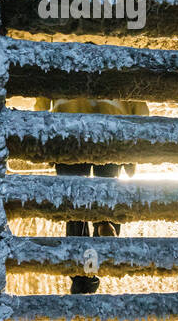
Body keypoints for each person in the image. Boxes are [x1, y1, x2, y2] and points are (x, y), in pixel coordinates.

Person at [34, 95, 149, 293]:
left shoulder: (59, 63)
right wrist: (133, 153)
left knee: (74, 208)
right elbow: (139, 107)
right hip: (111, 129)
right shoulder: (120, 62)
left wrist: (45, 146)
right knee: (107, 196)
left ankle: (83, 277)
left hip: (67, 129)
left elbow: (41, 103)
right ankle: (103, 226)